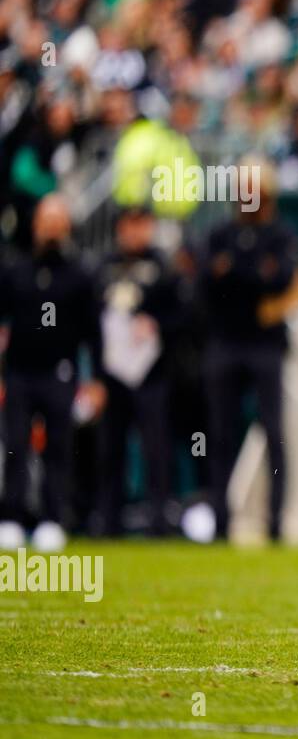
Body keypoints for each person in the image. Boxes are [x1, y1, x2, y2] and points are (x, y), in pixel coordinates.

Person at [197, 157, 298, 542]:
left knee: (273, 432)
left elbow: (282, 279)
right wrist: (254, 276)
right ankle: (219, 522)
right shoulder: (220, 233)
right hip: (226, 341)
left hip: (265, 344)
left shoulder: (281, 234)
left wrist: (238, 276)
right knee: (219, 433)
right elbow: (208, 282)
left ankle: (274, 523)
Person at [0, 194, 103, 550]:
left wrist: (95, 381)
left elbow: (94, 332)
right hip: (19, 371)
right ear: (36, 225)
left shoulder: (80, 274)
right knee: (15, 446)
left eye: (58, 222)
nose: (51, 229)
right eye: (47, 221)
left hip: (60, 373)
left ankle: (52, 519)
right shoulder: (16, 269)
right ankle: (11, 517)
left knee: (58, 449)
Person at [95, 206, 184, 537]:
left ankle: (159, 520)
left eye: (140, 225)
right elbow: (91, 316)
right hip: (113, 373)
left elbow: (183, 316)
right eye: (128, 225)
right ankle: (108, 522)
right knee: (110, 447)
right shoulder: (105, 267)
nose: (134, 233)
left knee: (156, 449)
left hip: (152, 374)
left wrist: (157, 325)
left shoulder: (164, 267)